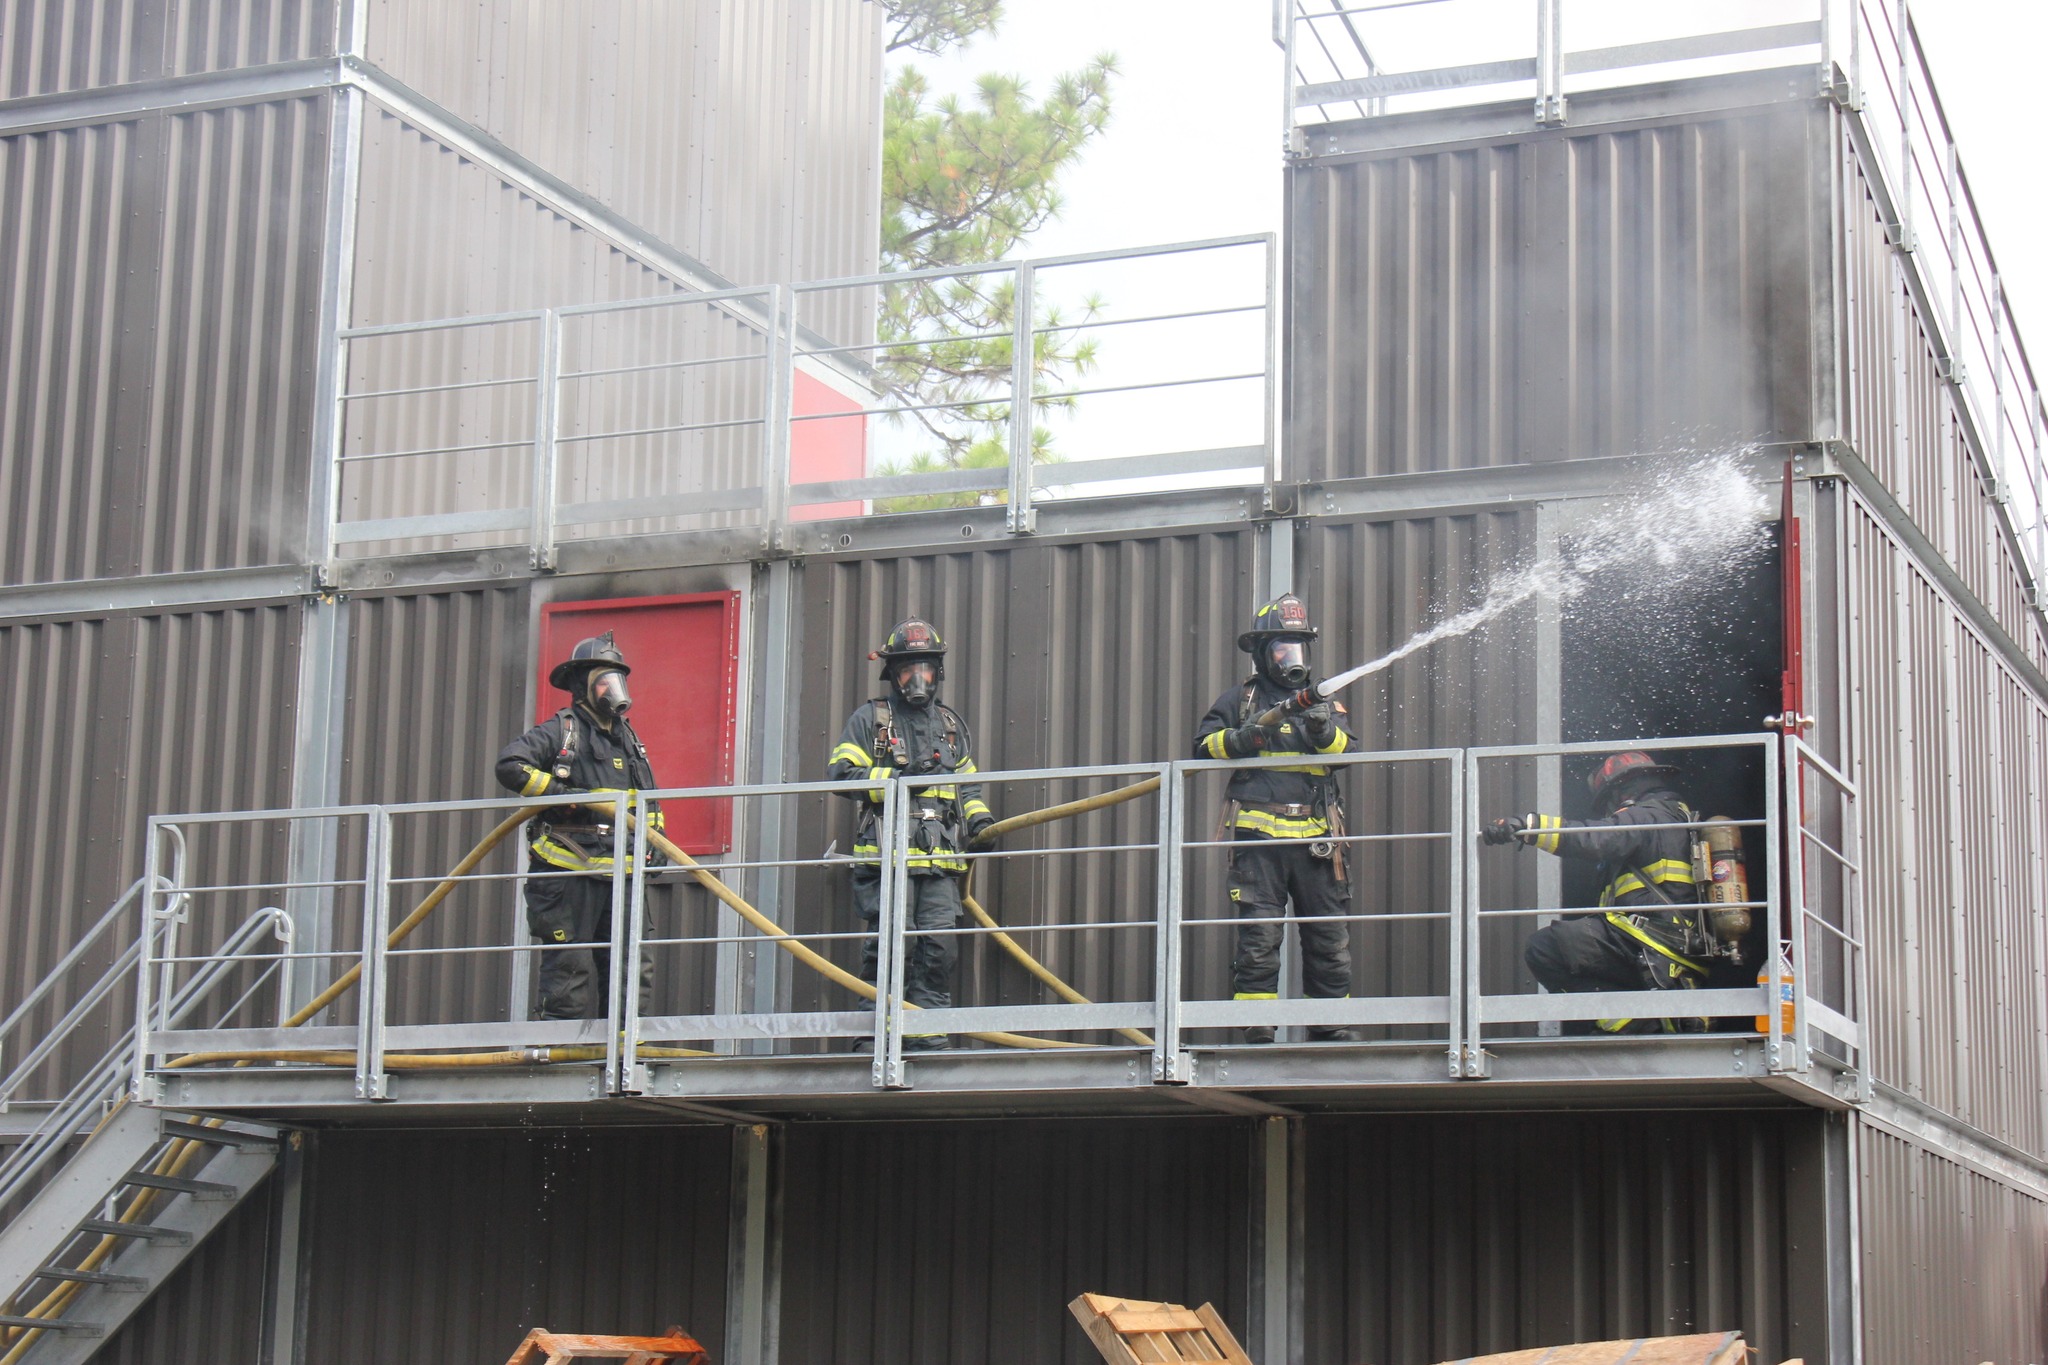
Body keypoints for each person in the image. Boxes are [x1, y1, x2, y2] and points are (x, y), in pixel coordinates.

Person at [1192, 593, 1360, 1044]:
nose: (1292, 659)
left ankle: (1330, 1025)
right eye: (1282, 649)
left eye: (1298, 648)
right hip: (1260, 841)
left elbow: (1350, 755)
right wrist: (1244, 739)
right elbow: (1202, 747)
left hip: (1319, 841)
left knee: (1329, 939)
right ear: (1263, 653)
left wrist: (1325, 731)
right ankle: (1257, 1025)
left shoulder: (1321, 700)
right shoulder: (1240, 700)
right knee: (1260, 939)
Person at [826, 618, 996, 1052]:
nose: (916, 678)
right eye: (906, 669)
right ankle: (877, 1032)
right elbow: (841, 775)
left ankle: (925, 1031)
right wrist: (898, 780)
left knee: (938, 947)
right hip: (889, 857)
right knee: (889, 946)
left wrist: (979, 821)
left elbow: (967, 787)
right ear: (893, 674)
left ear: (937, 672)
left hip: (939, 861)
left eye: (924, 668)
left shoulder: (950, 725)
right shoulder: (871, 719)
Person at [496, 631, 663, 1021]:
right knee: (568, 970)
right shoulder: (561, 731)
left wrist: (657, 844)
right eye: (604, 681)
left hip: (622, 875)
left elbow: (647, 801)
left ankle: (621, 1053)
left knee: (631, 970)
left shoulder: (629, 739)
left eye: (617, 680)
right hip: (567, 871)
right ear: (583, 686)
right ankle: (556, 1055)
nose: (613, 690)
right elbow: (510, 766)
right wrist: (561, 794)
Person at [1483, 749, 1708, 1034]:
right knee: (1582, 947)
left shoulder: (1648, 815)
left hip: (1649, 938)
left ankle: (1633, 1025)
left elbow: (1598, 838)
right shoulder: (1676, 817)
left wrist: (1528, 827)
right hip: (1664, 941)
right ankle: (1645, 1019)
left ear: (1622, 790)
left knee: (1546, 948)